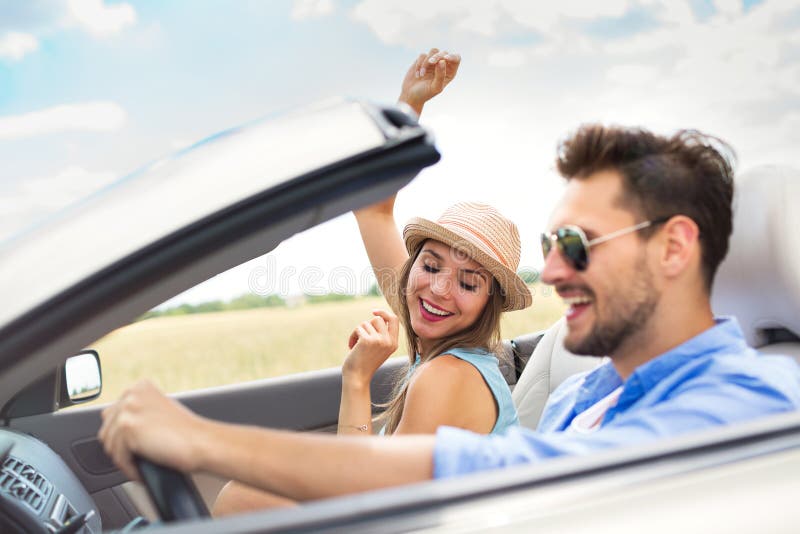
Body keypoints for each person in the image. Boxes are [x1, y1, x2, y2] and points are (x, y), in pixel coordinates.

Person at [98, 61, 800, 505]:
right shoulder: (594, 387)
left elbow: (493, 470)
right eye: (554, 244)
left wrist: (202, 440)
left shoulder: (756, 404)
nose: (553, 272)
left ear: (675, 248)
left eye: (578, 245)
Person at [209, 49, 530, 515]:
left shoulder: (447, 376)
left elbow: (369, 505)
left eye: (468, 282)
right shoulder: (439, 336)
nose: (439, 289)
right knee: (248, 492)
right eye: (432, 265)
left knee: (243, 497)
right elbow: (375, 210)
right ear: (414, 265)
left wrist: (357, 379)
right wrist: (409, 103)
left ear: (489, 303)